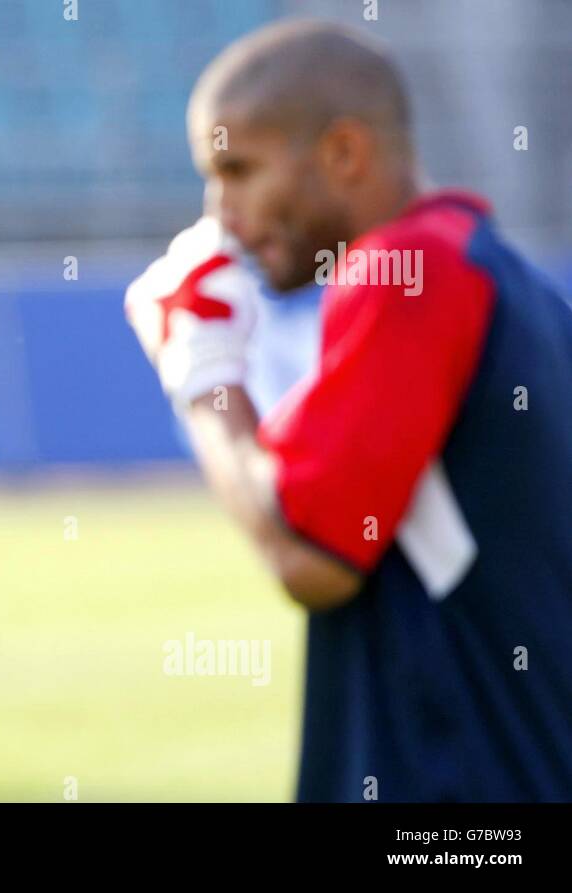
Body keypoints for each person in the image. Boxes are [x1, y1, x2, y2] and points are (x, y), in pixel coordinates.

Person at [126, 21, 572, 801]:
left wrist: (198, 366)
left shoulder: (407, 270)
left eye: (238, 169)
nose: (221, 213)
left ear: (344, 152)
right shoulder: (502, 276)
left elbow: (312, 559)